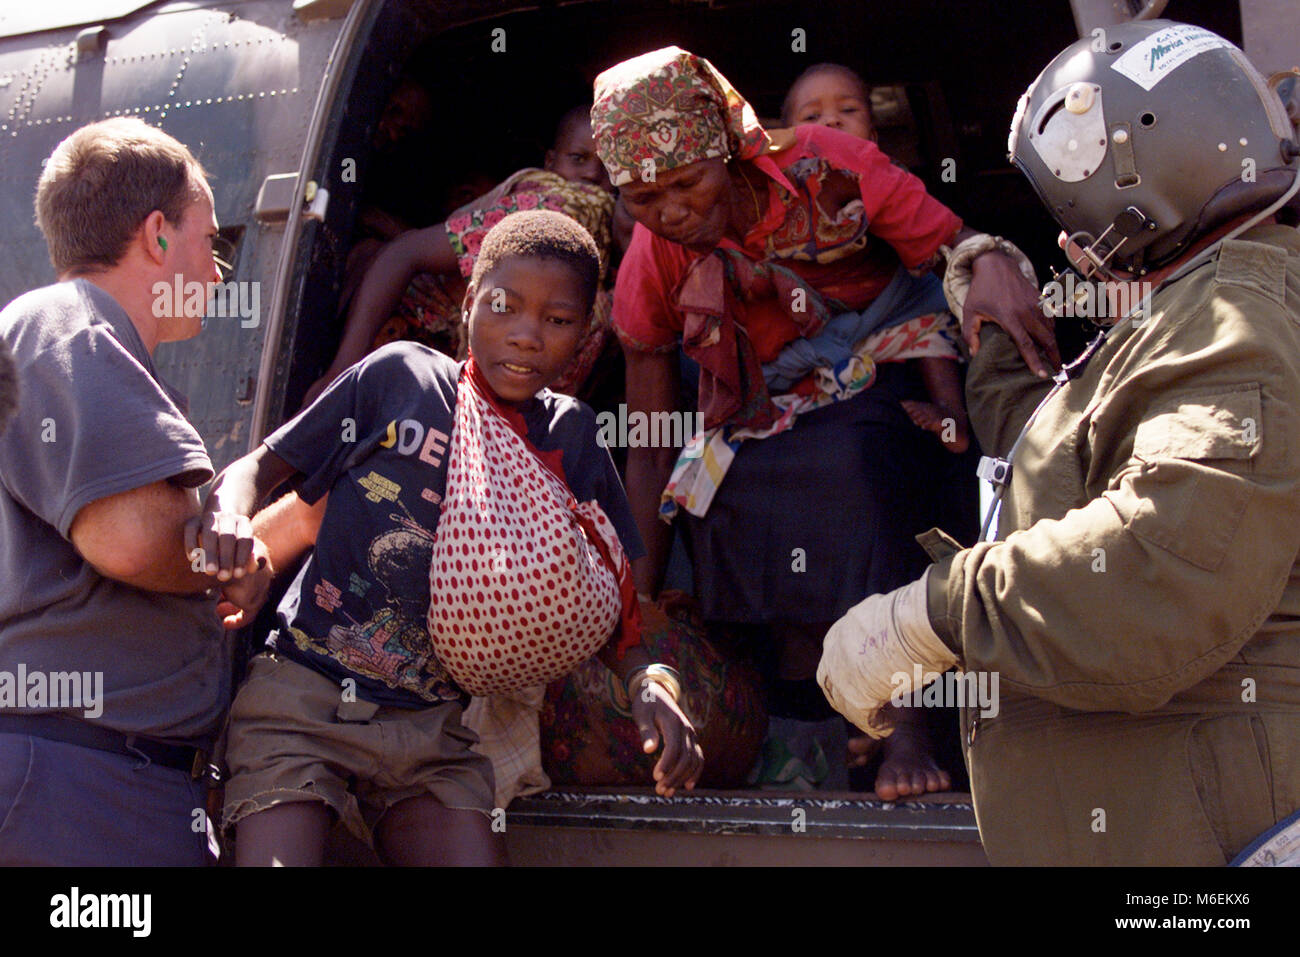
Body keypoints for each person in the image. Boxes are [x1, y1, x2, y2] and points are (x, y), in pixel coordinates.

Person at [818, 19, 1300, 865]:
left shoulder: (1237, 326)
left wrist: (930, 612)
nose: (1072, 243)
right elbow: (1067, 455)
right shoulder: (1202, 303)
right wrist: (989, 301)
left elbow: (1160, 569)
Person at [592, 47, 1049, 799]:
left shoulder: (829, 167)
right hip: (754, 404)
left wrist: (989, 261)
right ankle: (801, 722)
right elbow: (651, 440)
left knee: (854, 464)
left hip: (880, 363)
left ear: (729, 151)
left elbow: (950, 246)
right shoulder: (655, 254)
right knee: (718, 497)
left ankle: (909, 724)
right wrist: (639, 605)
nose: (669, 211)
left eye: (684, 183)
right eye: (642, 197)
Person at [194, 211, 702, 866]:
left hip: (430, 729)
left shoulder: (571, 438)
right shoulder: (399, 381)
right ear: (469, 301)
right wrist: (231, 516)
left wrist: (647, 681)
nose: (526, 335)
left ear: (585, 333)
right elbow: (258, 469)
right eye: (504, 305)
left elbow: (614, 605)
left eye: (557, 319)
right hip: (303, 698)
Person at [0, 118, 269, 865]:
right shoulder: (70, 326)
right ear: (157, 236)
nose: (217, 273)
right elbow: (134, 537)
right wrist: (240, 554)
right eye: (208, 241)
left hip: (99, 780)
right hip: (82, 787)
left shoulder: (73, 339)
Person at [305, 106, 618, 407]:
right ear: (550, 162)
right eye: (578, 159)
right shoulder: (541, 207)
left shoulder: (609, 281)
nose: (591, 174)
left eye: (606, 167)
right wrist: (341, 371)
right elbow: (403, 254)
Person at [783, 62, 969, 454]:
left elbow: (926, 241)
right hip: (822, 321)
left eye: (848, 111)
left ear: (873, 135)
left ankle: (953, 417)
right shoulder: (782, 199)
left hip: (893, 311)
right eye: (812, 117)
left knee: (931, 319)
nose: (830, 121)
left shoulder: (890, 181)